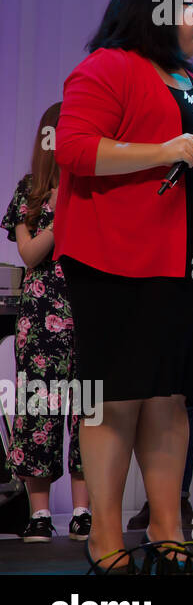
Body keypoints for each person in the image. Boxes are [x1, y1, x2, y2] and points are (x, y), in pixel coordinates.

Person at [54, 0, 193, 573]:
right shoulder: (108, 66)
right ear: (157, 13)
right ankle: (106, 536)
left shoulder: (192, 83)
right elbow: (75, 149)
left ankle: (170, 530)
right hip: (120, 258)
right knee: (117, 398)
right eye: (191, 8)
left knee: (172, 397)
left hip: (189, 262)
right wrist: (165, 152)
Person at [3, 103, 89, 544]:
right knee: (40, 411)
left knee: (89, 412)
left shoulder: (99, 189)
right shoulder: (30, 192)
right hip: (41, 320)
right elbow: (31, 254)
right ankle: (39, 514)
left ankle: (83, 511)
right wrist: (65, 216)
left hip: (92, 311)